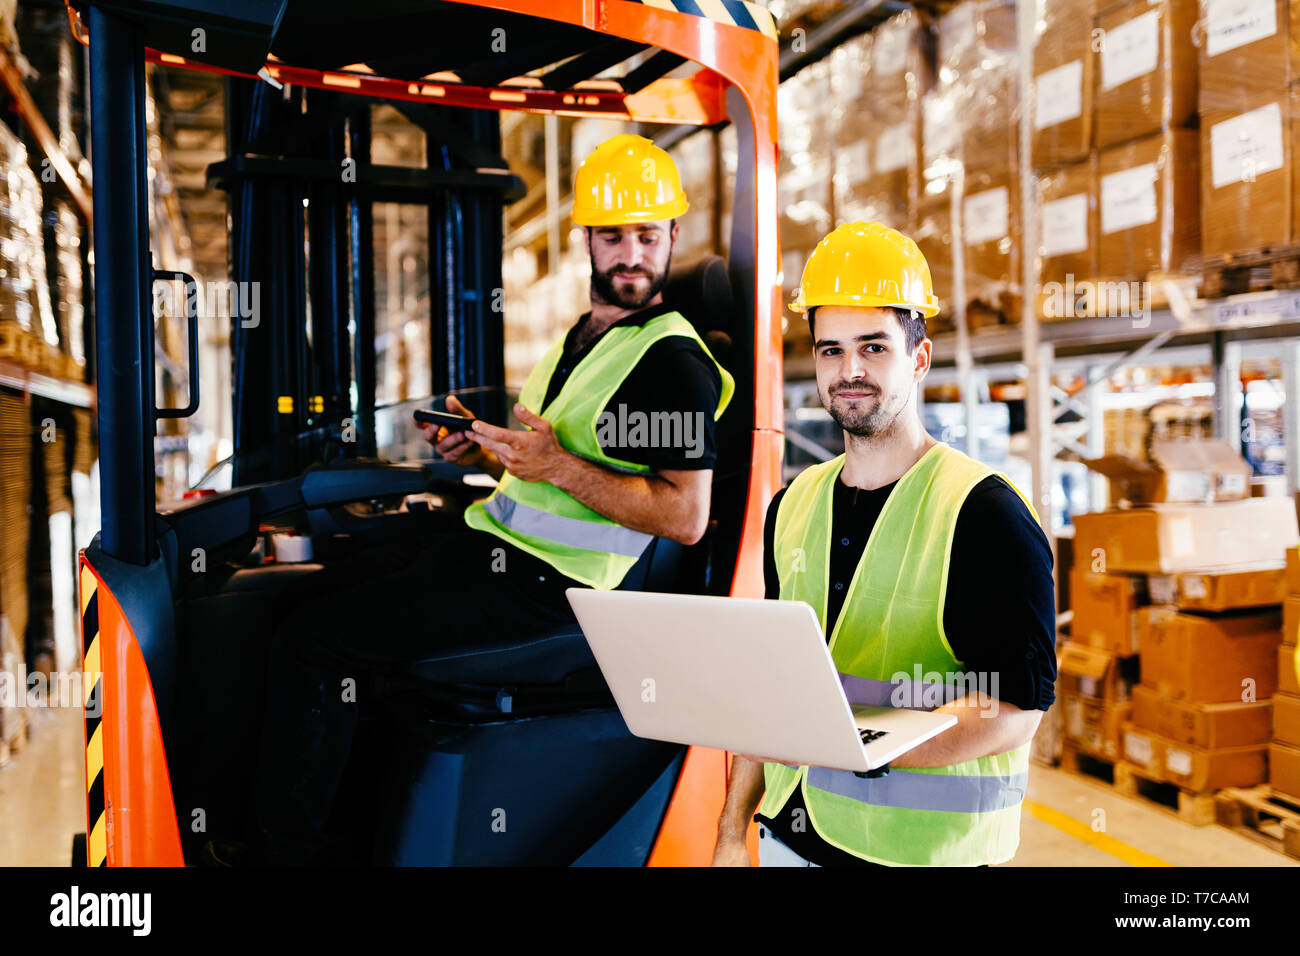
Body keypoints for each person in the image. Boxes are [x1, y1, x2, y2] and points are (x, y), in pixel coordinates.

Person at [228, 134, 734, 865]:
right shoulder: (585, 340)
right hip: (488, 543)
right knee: (292, 599)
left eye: (647, 237)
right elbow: (549, 460)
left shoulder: (671, 363)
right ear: (587, 240)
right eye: (614, 235)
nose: (630, 255)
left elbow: (684, 516)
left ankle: (287, 854)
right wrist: (483, 447)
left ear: (673, 238)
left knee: (317, 644)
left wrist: (553, 465)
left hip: (555, 588)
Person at [711, 221, 1056, 867]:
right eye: (830, 350)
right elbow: (773, 688)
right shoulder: (793, 505)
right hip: (788, 832)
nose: (850, 371)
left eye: (874, 347)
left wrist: (863, 748)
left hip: (916, 853)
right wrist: (733, 829)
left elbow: (1017, 708)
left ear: (919, 358)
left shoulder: (985, 513)